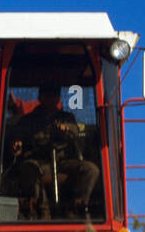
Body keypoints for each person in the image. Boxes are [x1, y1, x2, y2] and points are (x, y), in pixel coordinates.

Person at [6, 85, 100, 219]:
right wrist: (17, 143)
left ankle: (75, 209)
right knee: (30, 170)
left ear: (58, 98)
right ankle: (43, 213)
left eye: (54, 95)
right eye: (47, 95)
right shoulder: (28, 120)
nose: (51, 99)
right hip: (38, 162)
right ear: (40, 98)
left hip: (62, 162)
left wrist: (66, 128)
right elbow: (17, 136)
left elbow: (75, 130)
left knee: (91, 170)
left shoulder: (67, 117)